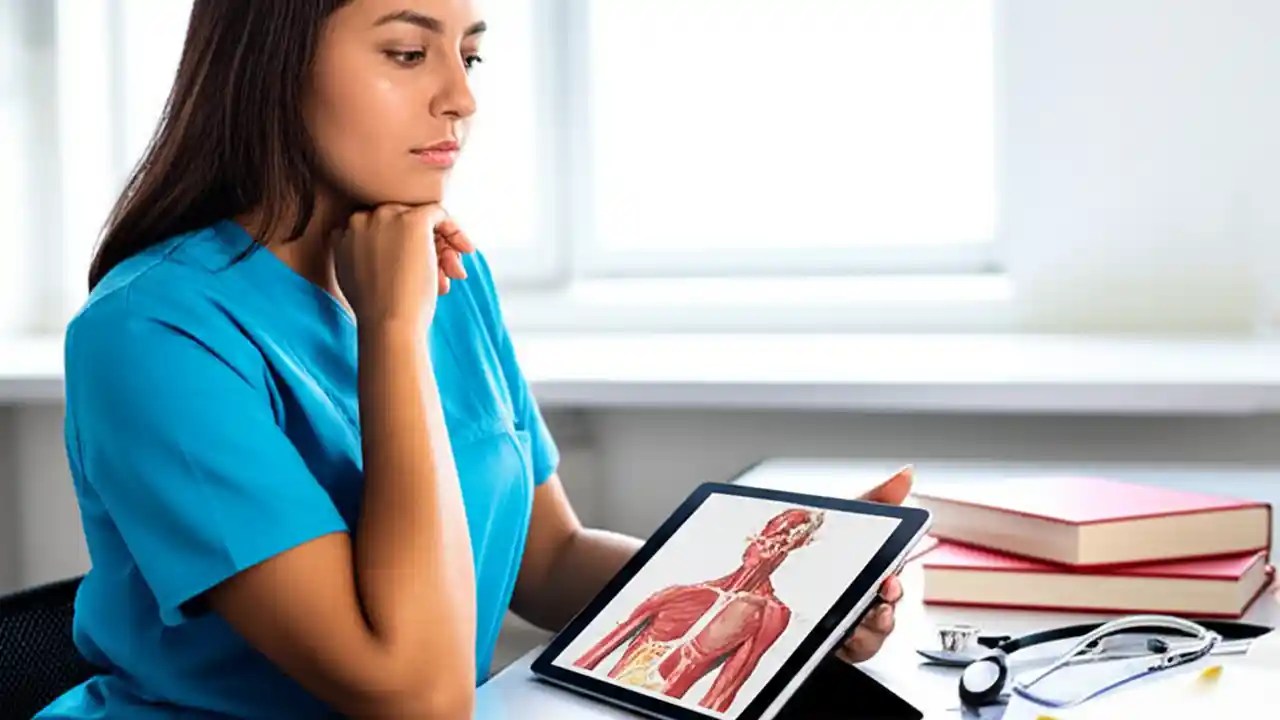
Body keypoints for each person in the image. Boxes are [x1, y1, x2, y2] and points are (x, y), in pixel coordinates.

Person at [36, 1, 910, 718]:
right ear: (272, 63)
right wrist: (392, 331)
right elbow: (415, 698)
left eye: (470, 56)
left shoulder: (445, 273)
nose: (461, 97)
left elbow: (549, 558)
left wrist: (798, 596)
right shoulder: (151, 334)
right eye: (408, 53)